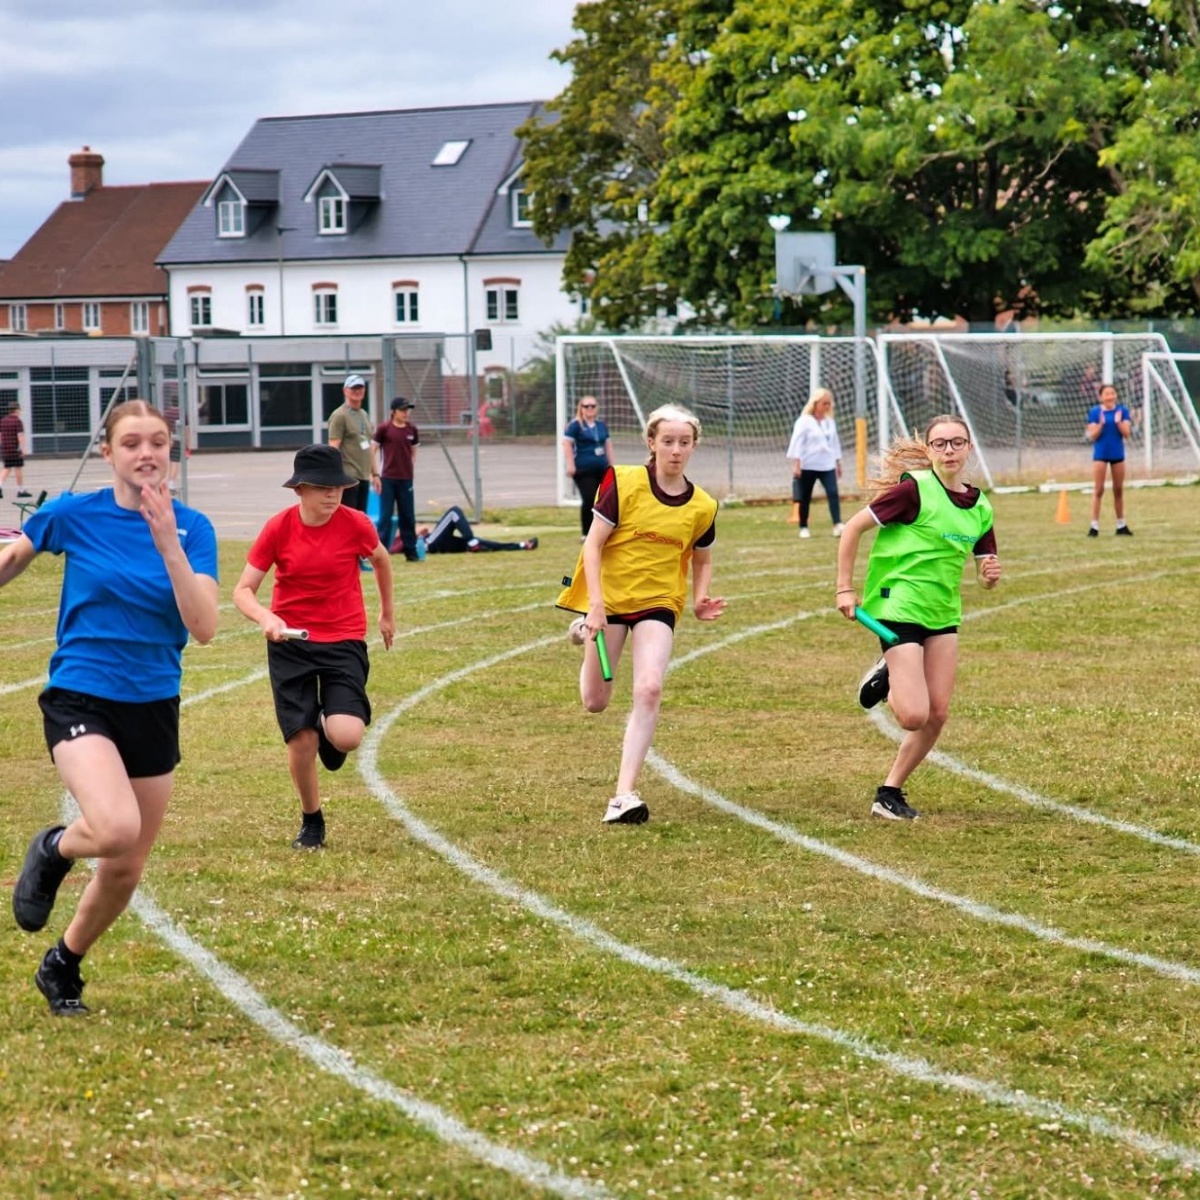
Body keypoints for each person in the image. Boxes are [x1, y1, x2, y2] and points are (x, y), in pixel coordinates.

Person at [4, 399, 219, 1016]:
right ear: (108, 453)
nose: (147, 453)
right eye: (131, 443)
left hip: (153, 702)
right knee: (114, 827)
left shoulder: (193, 529)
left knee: (125, 867)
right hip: (82, 693)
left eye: (158, 441)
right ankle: (53, 848)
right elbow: (14, 558)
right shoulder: (74, 514)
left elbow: (203, 627)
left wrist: (166, 543)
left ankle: (63, 964)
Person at [557, 403, 726, 825]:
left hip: (659, 603)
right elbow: (592, 546)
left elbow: (702, 559)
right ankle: (582, 631)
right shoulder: (625, 483)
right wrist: (595, 605)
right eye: (667, 441)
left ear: (693, 447)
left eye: (684, 442)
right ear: (651, 443)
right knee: (595, 702)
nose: (675, 450)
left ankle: (623, 794)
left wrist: (701, 597)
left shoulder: (703, 505)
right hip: (610, 600)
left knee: (649, 687)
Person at [835, 414, 1000, 821]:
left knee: (937, 713)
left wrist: (989, 576)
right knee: (913, 715)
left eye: (956, 443)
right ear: (929, 450)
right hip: (898, 606)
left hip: (942, 612)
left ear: (968, 449)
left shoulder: (979, 506)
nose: (949, 450)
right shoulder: (913, 490)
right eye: (940, 443)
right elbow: (853, 528)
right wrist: (844, 587)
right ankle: (889, 671)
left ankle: (888, 792)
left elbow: (985, 572)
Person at [232, 445, 394, 850]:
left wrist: (386, 614)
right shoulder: (278, 528)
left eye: (337, 486)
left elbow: (381, 559)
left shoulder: (356, 523)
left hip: (343, 638)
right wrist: (268, 619)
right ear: (300, 490)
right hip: (291, 642)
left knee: (348, 736)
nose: (332, 494)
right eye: (322, 487)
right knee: (300, 741)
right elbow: (242, 591)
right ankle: (312, 820)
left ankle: (328, 728)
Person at [327, 373, 379, 570]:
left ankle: (357, 557)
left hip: (363, 475)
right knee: (346, 520)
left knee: (360, 520)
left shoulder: (364, 415)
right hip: (348, 477)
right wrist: (333, 476)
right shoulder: (340, 415)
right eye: (353, 388)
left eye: (360, 388)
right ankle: (345, 558)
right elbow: (333, 447)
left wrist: (375, 473)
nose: (357, 391)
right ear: (345, 391)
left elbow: (369, 448)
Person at [786, 387, 844, 538]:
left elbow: (835, 442)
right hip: (808, 464)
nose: (826, 407)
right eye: (824, 403)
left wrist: (838, 462)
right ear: (816, 403)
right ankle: (803, 526)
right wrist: (797, 463)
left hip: (827, 464)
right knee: (805, 496)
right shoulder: (804, 421)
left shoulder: (829, 422)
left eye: (829, 404)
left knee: (833, 493)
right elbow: (797, 442)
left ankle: (837, 524)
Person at [375, 397, 420, 562]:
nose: (405, 413)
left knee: (408, 516)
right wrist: (375, 474)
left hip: (406, 479)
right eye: (402, 410)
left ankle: (411, 551)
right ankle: (381, 552)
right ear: (393, 412)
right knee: (385, 517)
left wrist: (410, 466)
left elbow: (414, 450)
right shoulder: (384, 429)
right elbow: (373, 448)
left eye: (407, 410)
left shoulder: (412, 430)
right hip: (388, 478)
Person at [1086, 383, 1133, 537]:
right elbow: (1093, 435)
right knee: (1098, 489)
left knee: (1118, 490)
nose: (1110, 396)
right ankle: (1094, 526)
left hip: (1117, 454)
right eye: (1107, 394)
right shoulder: (1095, 412)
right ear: (1101, 397)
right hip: (1101, 454)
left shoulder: (1122, 411)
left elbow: (1127, 433)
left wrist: (1118, 422)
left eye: (1112, 393)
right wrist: (1101, 424)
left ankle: (1121, 525)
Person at [563, 395, 613, 537]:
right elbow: (567, 444)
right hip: (583, 468)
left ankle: (602, 531)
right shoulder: (575, 425)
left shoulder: (601, 425)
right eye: (586, 406)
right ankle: (586, 533)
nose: (590, 409)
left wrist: (611, 465)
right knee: (589, 497)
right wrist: (570, 465)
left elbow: (608, 445)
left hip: (601, 467)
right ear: (581, 408)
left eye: (593, 406)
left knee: (603, 499)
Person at [420, 505, 537, 553]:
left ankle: (521, 545)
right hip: (428, 543)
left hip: (435, 544)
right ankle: (472, 542)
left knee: (478, 542)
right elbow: (404, 539)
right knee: (454, 512)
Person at [0, 400, 32, 499]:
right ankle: (20, 490)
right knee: (18, 467)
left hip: (5, 448)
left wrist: (2, 445)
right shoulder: (17, 421)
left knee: (7, 468)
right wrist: (24, 449)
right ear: (17, 410)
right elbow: (20, 436)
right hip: (15, 449)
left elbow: (0, 435)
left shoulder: (3, 420)